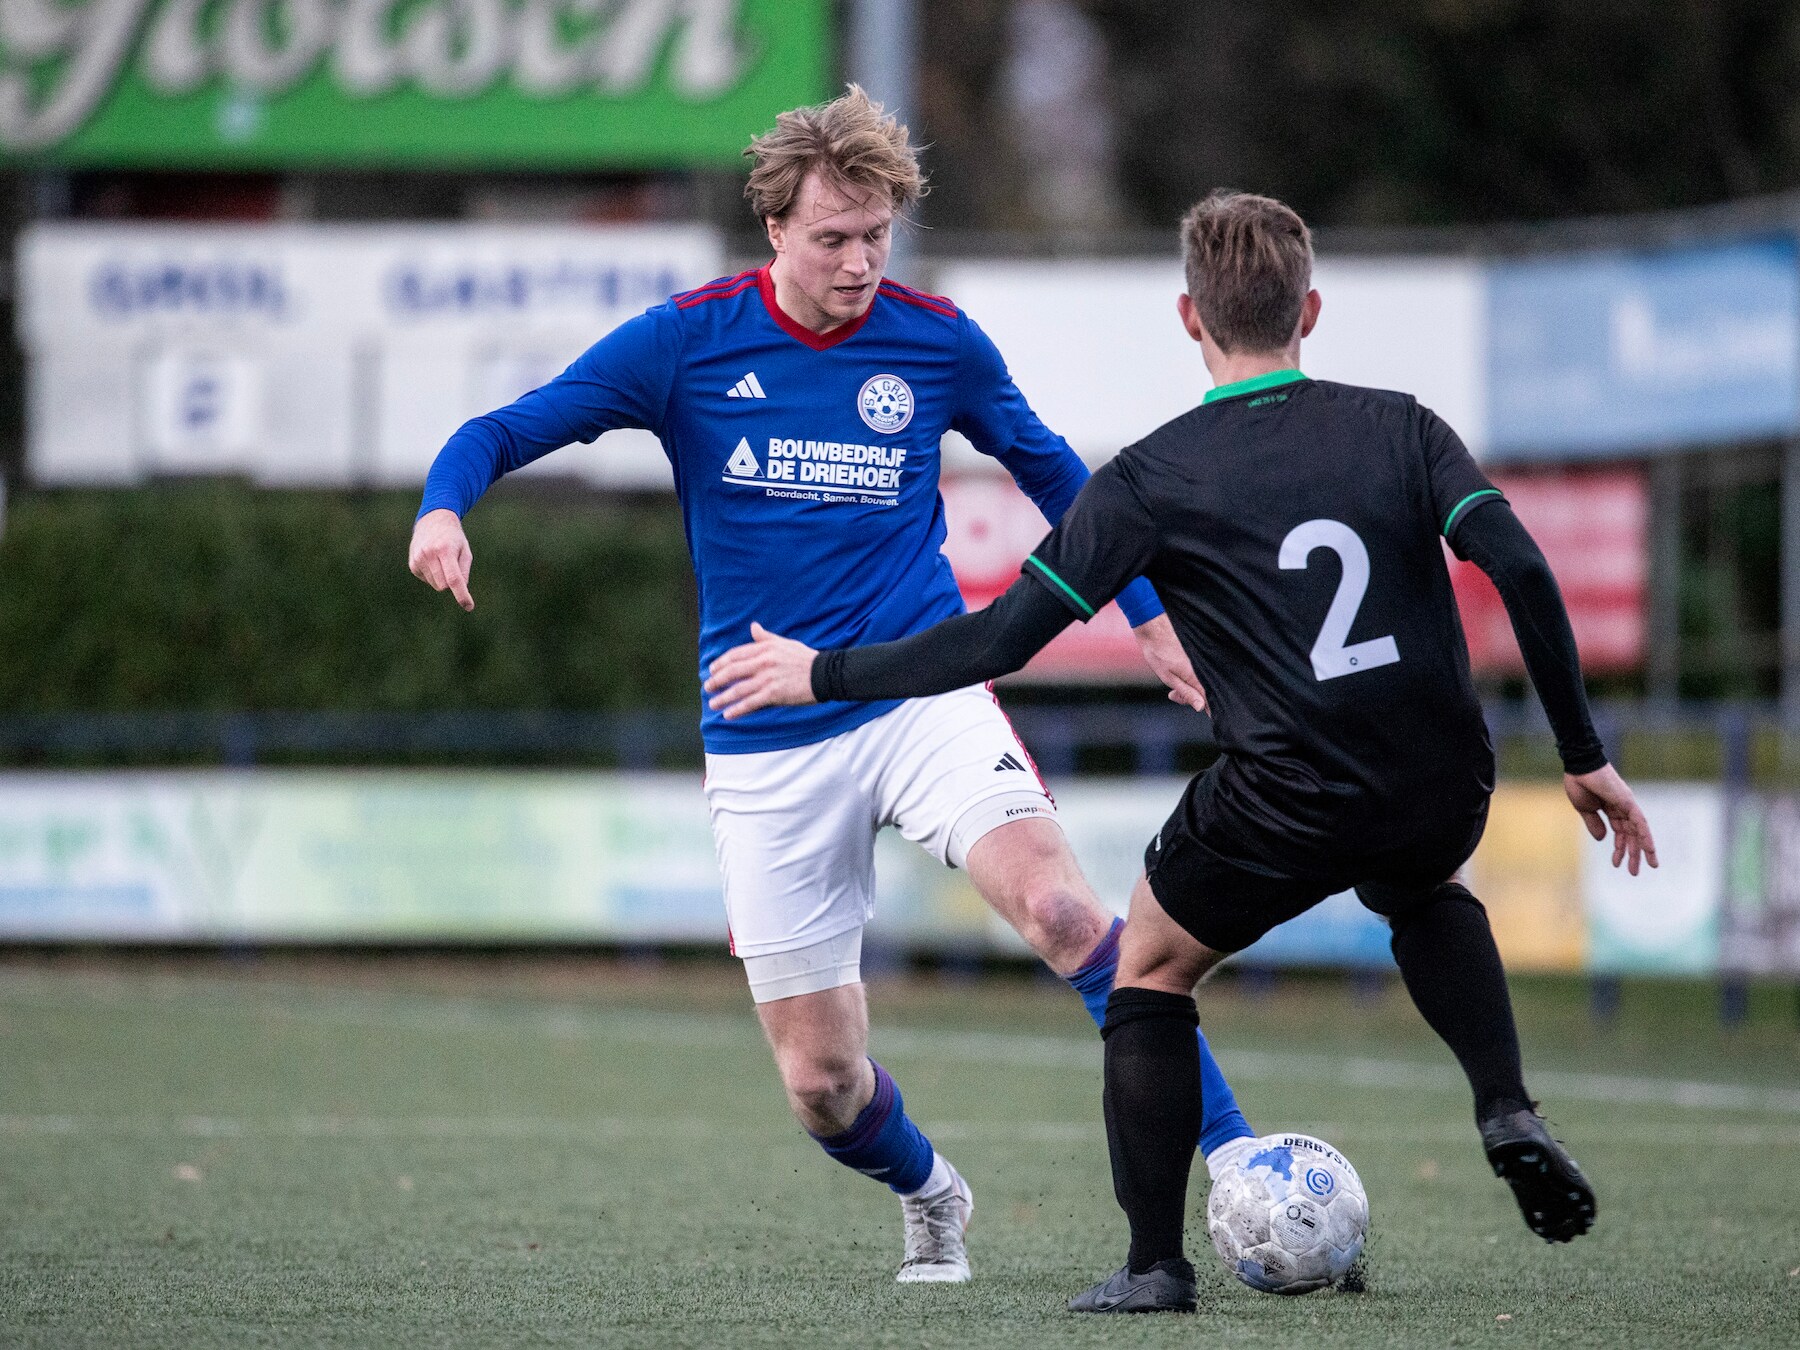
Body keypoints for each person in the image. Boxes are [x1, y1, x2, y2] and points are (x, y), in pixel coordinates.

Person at [704, 189, 1660, 1312]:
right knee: (1424, 888)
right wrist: (1583, 753)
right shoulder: (1404, 426)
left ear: (1189, 316)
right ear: (1310, 309)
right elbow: (1525, 569)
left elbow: (999, 640)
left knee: (1148, 970)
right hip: (1438, 774)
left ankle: (1155, 1262)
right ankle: (1505, 1105)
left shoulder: (1153, 478)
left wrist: (825, 671)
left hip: (1284, 791)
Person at [407, 87, 1258, 1284]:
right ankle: (931, 1189)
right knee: (822, 1083)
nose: (859, 263)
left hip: (919, 693)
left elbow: (1061, 478)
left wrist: (1149, 616)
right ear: (775, 228)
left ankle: (1243, 1163)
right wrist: (443, 509)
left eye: (876, 236)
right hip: (767, 731)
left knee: (1067, 914)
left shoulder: (936, 341)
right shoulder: (685, 343)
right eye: (833, 239)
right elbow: (504, 429)